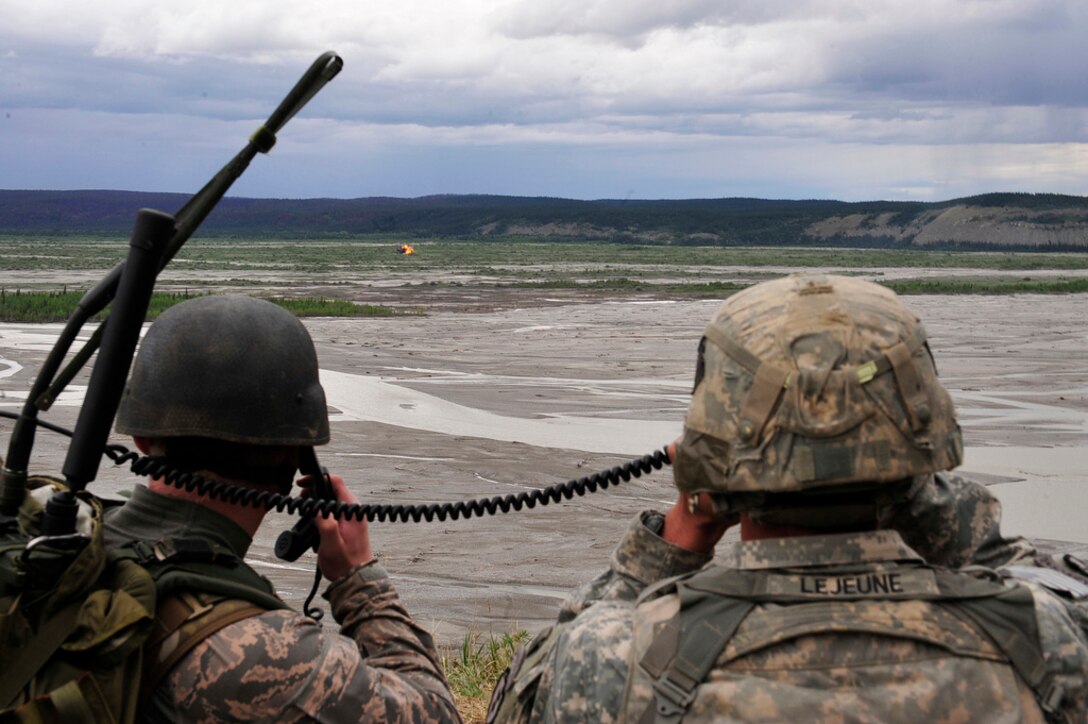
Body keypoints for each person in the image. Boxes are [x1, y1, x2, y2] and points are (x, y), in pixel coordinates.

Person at [487, 273, 1088, 723]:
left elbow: (524, 694)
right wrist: (915, 494)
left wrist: (674, 540)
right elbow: (1043, 577)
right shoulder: (1050, 641)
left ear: (712, 459)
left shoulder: (615, 659)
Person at [101, 294, 460, 722]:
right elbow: (433, 713)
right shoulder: (263, 657)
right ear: (296, 450)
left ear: (140, 438)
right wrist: (360, 579)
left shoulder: (63, 542)